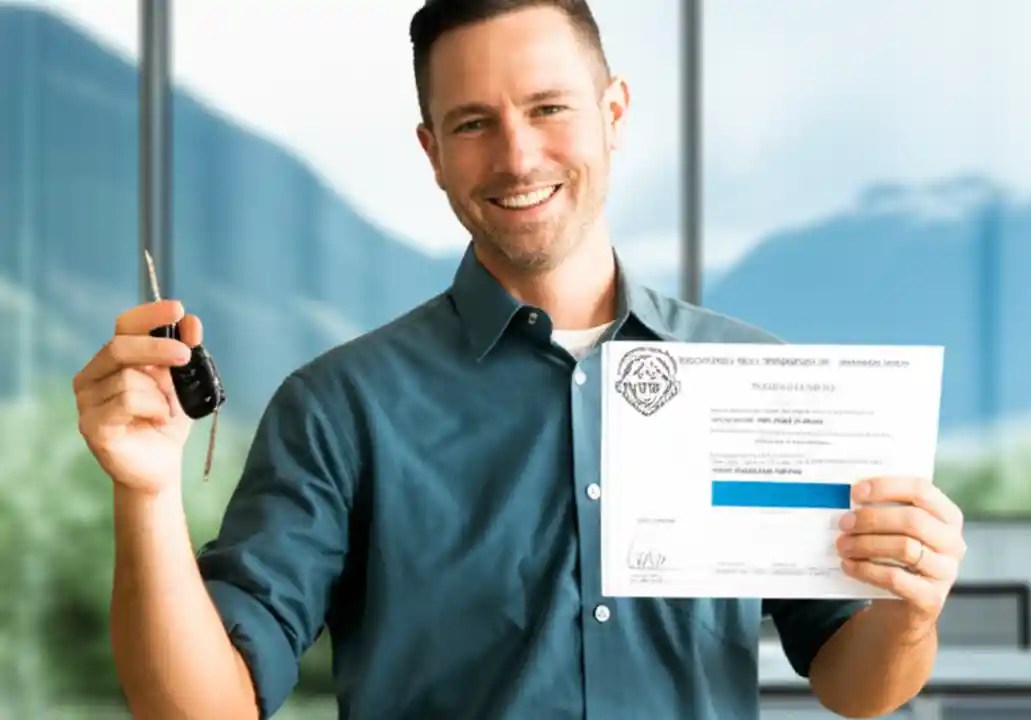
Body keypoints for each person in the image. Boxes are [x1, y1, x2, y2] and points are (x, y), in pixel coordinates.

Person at [72, 1, 968, 718]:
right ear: (432, 153)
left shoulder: (758, 379)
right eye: (472, 123)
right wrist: (146, 491)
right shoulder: (340, 409)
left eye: (548, 108)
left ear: (613, 113)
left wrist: (911, 608)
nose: (517, 155)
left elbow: (858, 687)